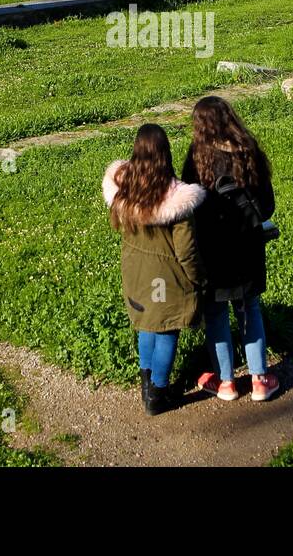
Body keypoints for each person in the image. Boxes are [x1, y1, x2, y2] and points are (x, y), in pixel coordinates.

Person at [181, 96, 280, 402]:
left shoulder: (197, 156)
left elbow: (188, 204)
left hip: (213, 251)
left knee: (216, 313)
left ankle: (225, 383)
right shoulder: (249, 151)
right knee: (250, 310)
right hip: (248, 248)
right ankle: (260, 379)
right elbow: (266, 207)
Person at [103, 123, 206, 415]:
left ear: (136, 151)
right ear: (165, 154)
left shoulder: (124, 192)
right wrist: (199, 278)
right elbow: (186, 251)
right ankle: (159, 394)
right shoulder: (177, 201)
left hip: (135, 275)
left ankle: (146, 383)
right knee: (167, 332)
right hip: (167, 280)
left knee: (146, 324)